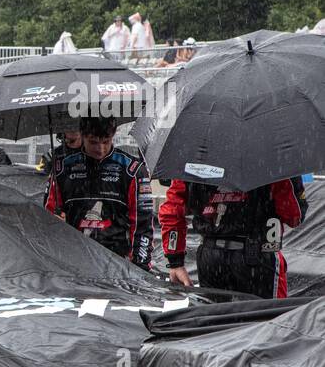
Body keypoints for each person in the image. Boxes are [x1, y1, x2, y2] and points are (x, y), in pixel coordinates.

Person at [159, 177, 308, 298]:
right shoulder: (272, 152)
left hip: (210, 257)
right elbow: (294, 216)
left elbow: (172, 210)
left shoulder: (196, 150)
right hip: (257, 258)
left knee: (214, 327)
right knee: (268, 327)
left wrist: (175, 261)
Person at [45, 116, 154, 270]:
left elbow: (142, 224)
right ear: (82, 135)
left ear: (113, 135)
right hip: (74, 260)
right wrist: (53, 220)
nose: (100, 149)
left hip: (117, 262)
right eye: (93, 142)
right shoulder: (62, 168)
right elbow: (47, 217)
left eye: (106, 141)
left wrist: (141, 267)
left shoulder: (132, 170)